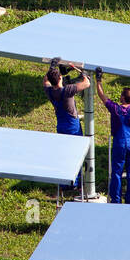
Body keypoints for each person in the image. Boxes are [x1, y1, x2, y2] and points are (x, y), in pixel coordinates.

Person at [43, 58, 88, 191]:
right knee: (77, 154)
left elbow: (45, 80)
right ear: (61, 79)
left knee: (64, 154)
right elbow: (87, 84)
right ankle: (76, 183)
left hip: (61, 126)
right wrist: (82, 72)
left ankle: (64, 183)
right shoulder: (68, 90)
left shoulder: (49, 91)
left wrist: (52, 68)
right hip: (73, 127)